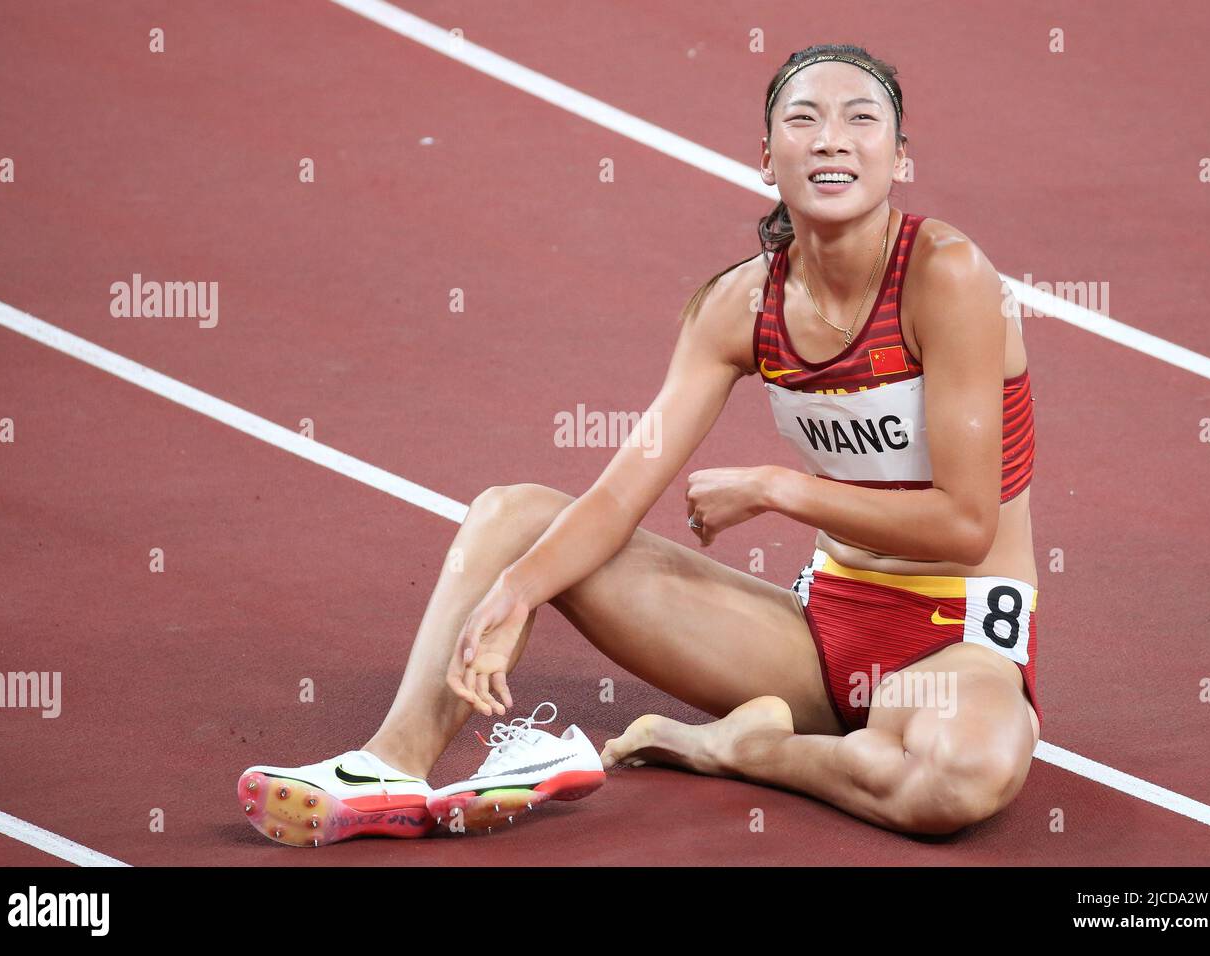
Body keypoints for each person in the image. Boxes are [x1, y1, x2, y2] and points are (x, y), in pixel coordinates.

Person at [237, 42, 1041, 845]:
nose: (832, 138)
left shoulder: (948, 275)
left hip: (956, 639)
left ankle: (744, 751)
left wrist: (774, 488)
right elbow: (621, 496)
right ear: (767, 158)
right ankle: (388, 767)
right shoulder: (735, 307)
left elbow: (965, 525)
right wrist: (518, 593)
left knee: (962, 777)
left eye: (861, 120)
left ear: (899, 158)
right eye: (804, 119)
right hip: (815, 636)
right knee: (513, 516)